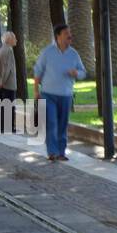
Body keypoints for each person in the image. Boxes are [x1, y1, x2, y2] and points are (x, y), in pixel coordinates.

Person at [32, 23, 86, 162]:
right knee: (51, 122)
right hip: (48, 94)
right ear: (58, 36)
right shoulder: (47, 52)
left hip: (66, 95)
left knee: (62, 124)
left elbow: (83, 72)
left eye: (70, 33)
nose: (70, 36)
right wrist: (36, 91)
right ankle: (52, 152)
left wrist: (76, 73)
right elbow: (38, 71)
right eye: (66, 33)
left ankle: (61, 152)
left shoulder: (74, 54)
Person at [0, 30, 17, 132]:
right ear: (10, 40)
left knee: (2, 105)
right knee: (10, 106)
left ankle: (1, 126)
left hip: (0, 84)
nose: (16, 40)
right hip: (8, 84)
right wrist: (3, 81)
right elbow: (8, 68)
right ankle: (9, 127)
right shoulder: (9, 51)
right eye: (14, 38)